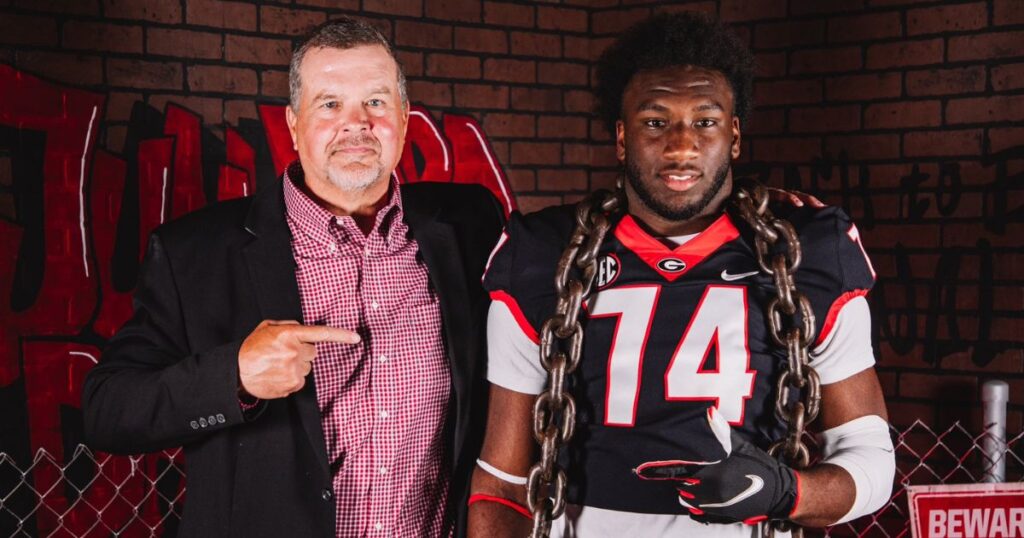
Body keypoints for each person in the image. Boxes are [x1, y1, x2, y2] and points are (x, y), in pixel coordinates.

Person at [469, 12, 894, 537]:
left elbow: (871, 458)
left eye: (705, 121)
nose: (681, 146)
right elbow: (502, 482)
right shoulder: (543, 254)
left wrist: (789, 492)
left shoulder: (807, 250)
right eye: (655, 121)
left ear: (734, 135)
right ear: (622, 138)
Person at [83, 17, 504, 537]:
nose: (357, 124)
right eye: (330, 104)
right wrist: (233, 375)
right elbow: (107, 409)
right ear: (292, 124)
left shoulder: (469, 224)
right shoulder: (196, 254)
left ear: (403, 115)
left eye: (375, 101)